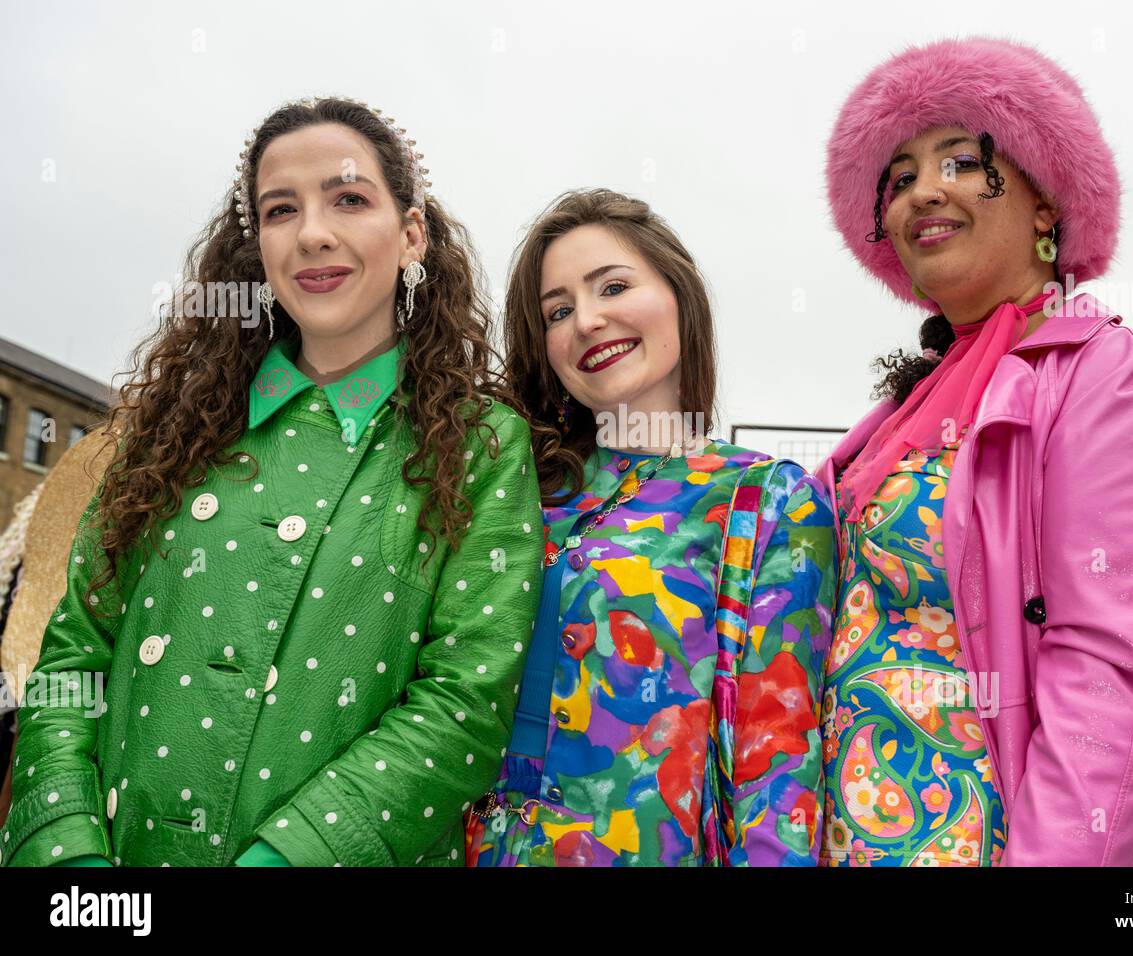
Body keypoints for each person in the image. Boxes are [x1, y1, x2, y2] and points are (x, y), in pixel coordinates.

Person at [0, 96, 542, 867]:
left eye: (349, 199)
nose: (313, 232)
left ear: (411, 233)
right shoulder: (165, 432)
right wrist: (66, 854)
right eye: (281, 210)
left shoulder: (484, 446)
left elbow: (468, 701)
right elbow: (72, 660)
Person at [817, 37, 1133, 866]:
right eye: (898, 177)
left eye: (963, 160)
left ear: (1049, 205)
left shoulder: (1109, 379)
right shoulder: (892, 421)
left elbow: (1113, 683)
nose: (921, 190)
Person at [466, 188, 836, 865]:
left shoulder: (767, 500)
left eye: (613, 286)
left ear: (678, 294)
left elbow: (777, 758)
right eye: (558, 310)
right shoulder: (509, 486)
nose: (588, 320)